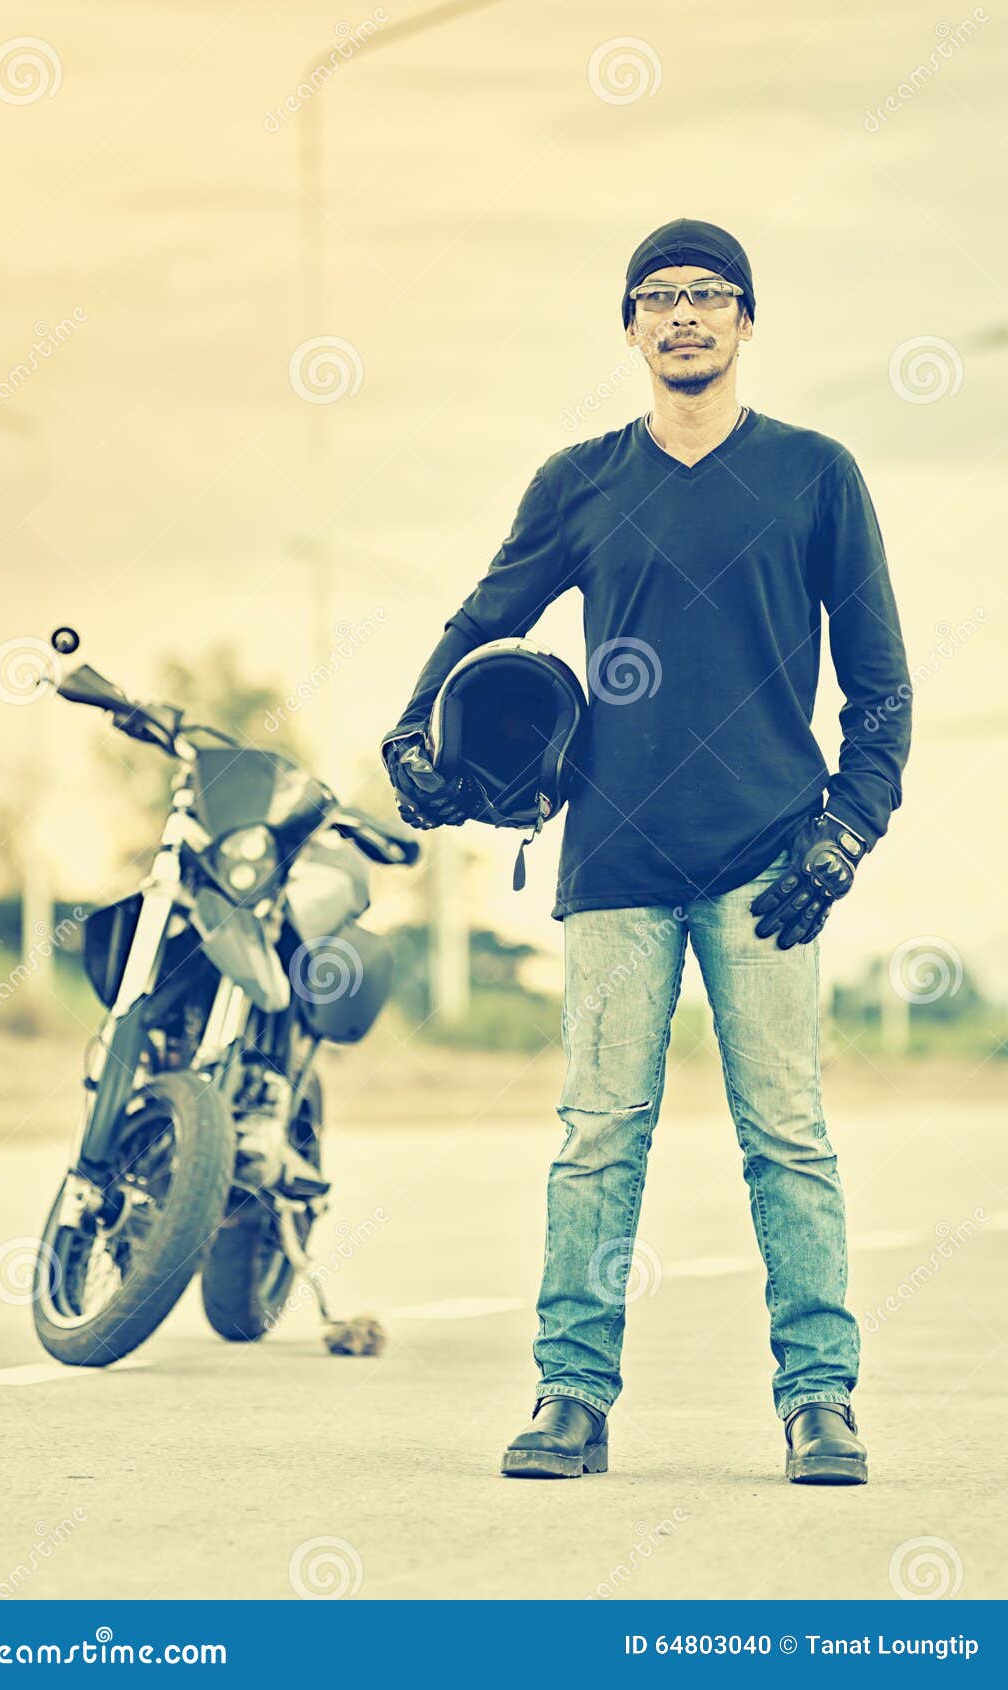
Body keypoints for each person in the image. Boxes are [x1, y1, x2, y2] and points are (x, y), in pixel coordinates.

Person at [380, 217, 911, 1485]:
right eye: (658, 296)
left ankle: (819, 1399)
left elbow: (880, 683)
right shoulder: (581, 479)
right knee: (599, 1134)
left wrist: (846, 831)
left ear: (743, 321)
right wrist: (410, 728)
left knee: (787, 1134)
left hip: (769, 859)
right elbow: (483, 615)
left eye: (709, 295)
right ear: (629, 325)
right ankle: (571, 1396)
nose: (684, 315)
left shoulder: (815, 472)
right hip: (614, 856)